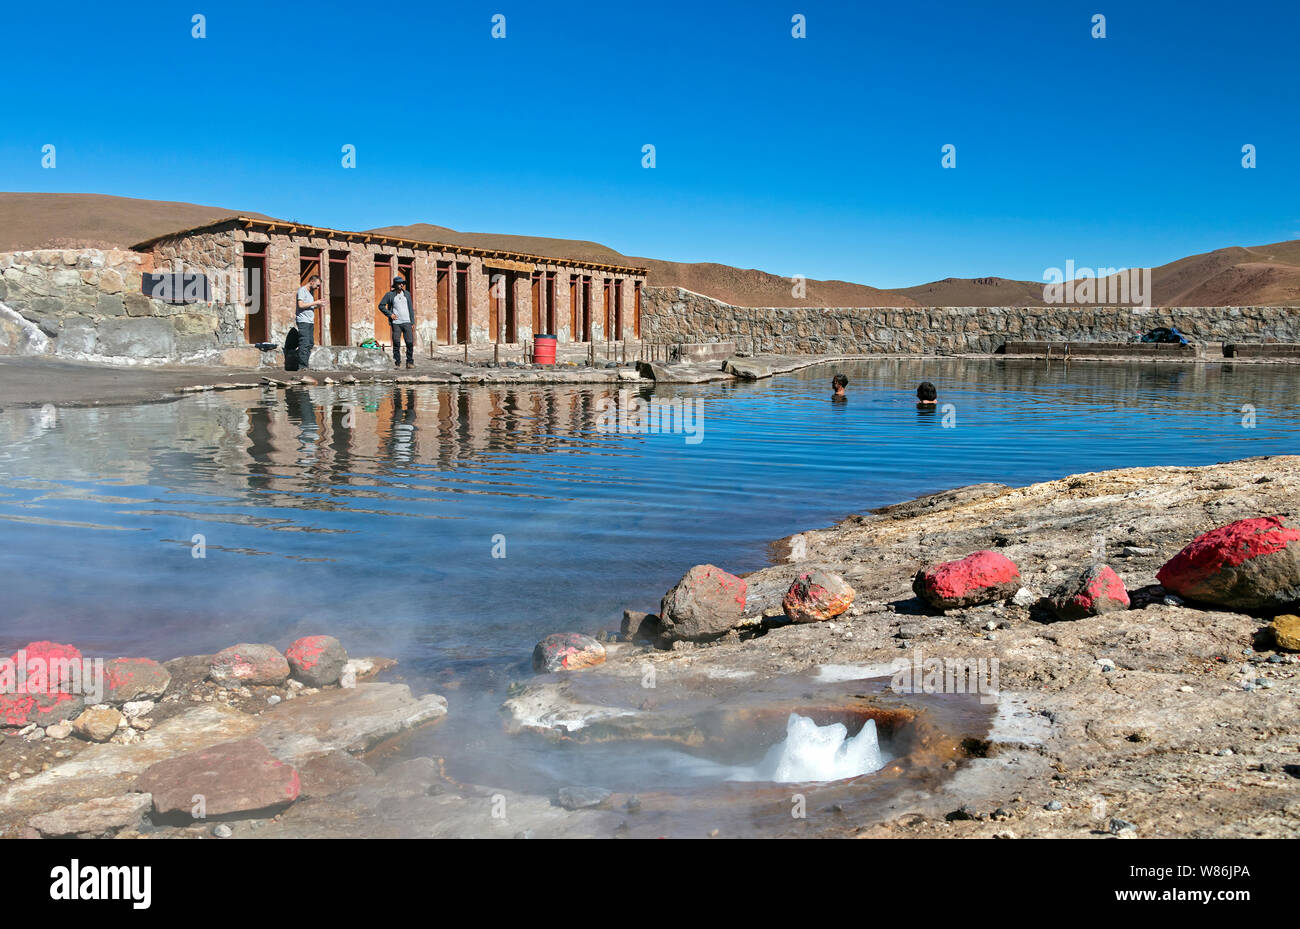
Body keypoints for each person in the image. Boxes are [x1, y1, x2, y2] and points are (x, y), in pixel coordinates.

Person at [378, 275, 416, 369]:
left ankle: (410, 362)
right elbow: (381, 306)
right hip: (396, 323)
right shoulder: (389, 295)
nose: (401, 284)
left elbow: (410, 309)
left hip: (407, 322)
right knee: (396, 342)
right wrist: (390, 314)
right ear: (395, 284)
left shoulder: (407, 294)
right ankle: (397, 362)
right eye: (399, 283)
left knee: (410, 342)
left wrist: (412, 322)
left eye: (402, 283)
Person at [295, 275, 323, 369]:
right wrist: (315, 302)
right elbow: (301, 305)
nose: (318, 288)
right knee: (304, 343)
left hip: (310, 321)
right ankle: (302, 366)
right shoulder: (302, 290)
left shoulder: (310, 292)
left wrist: (317, 306)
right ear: (312, 282)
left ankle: (304, 365)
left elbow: (308, 306)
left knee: (310, 343)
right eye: (317, 285)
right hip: (303, 321)